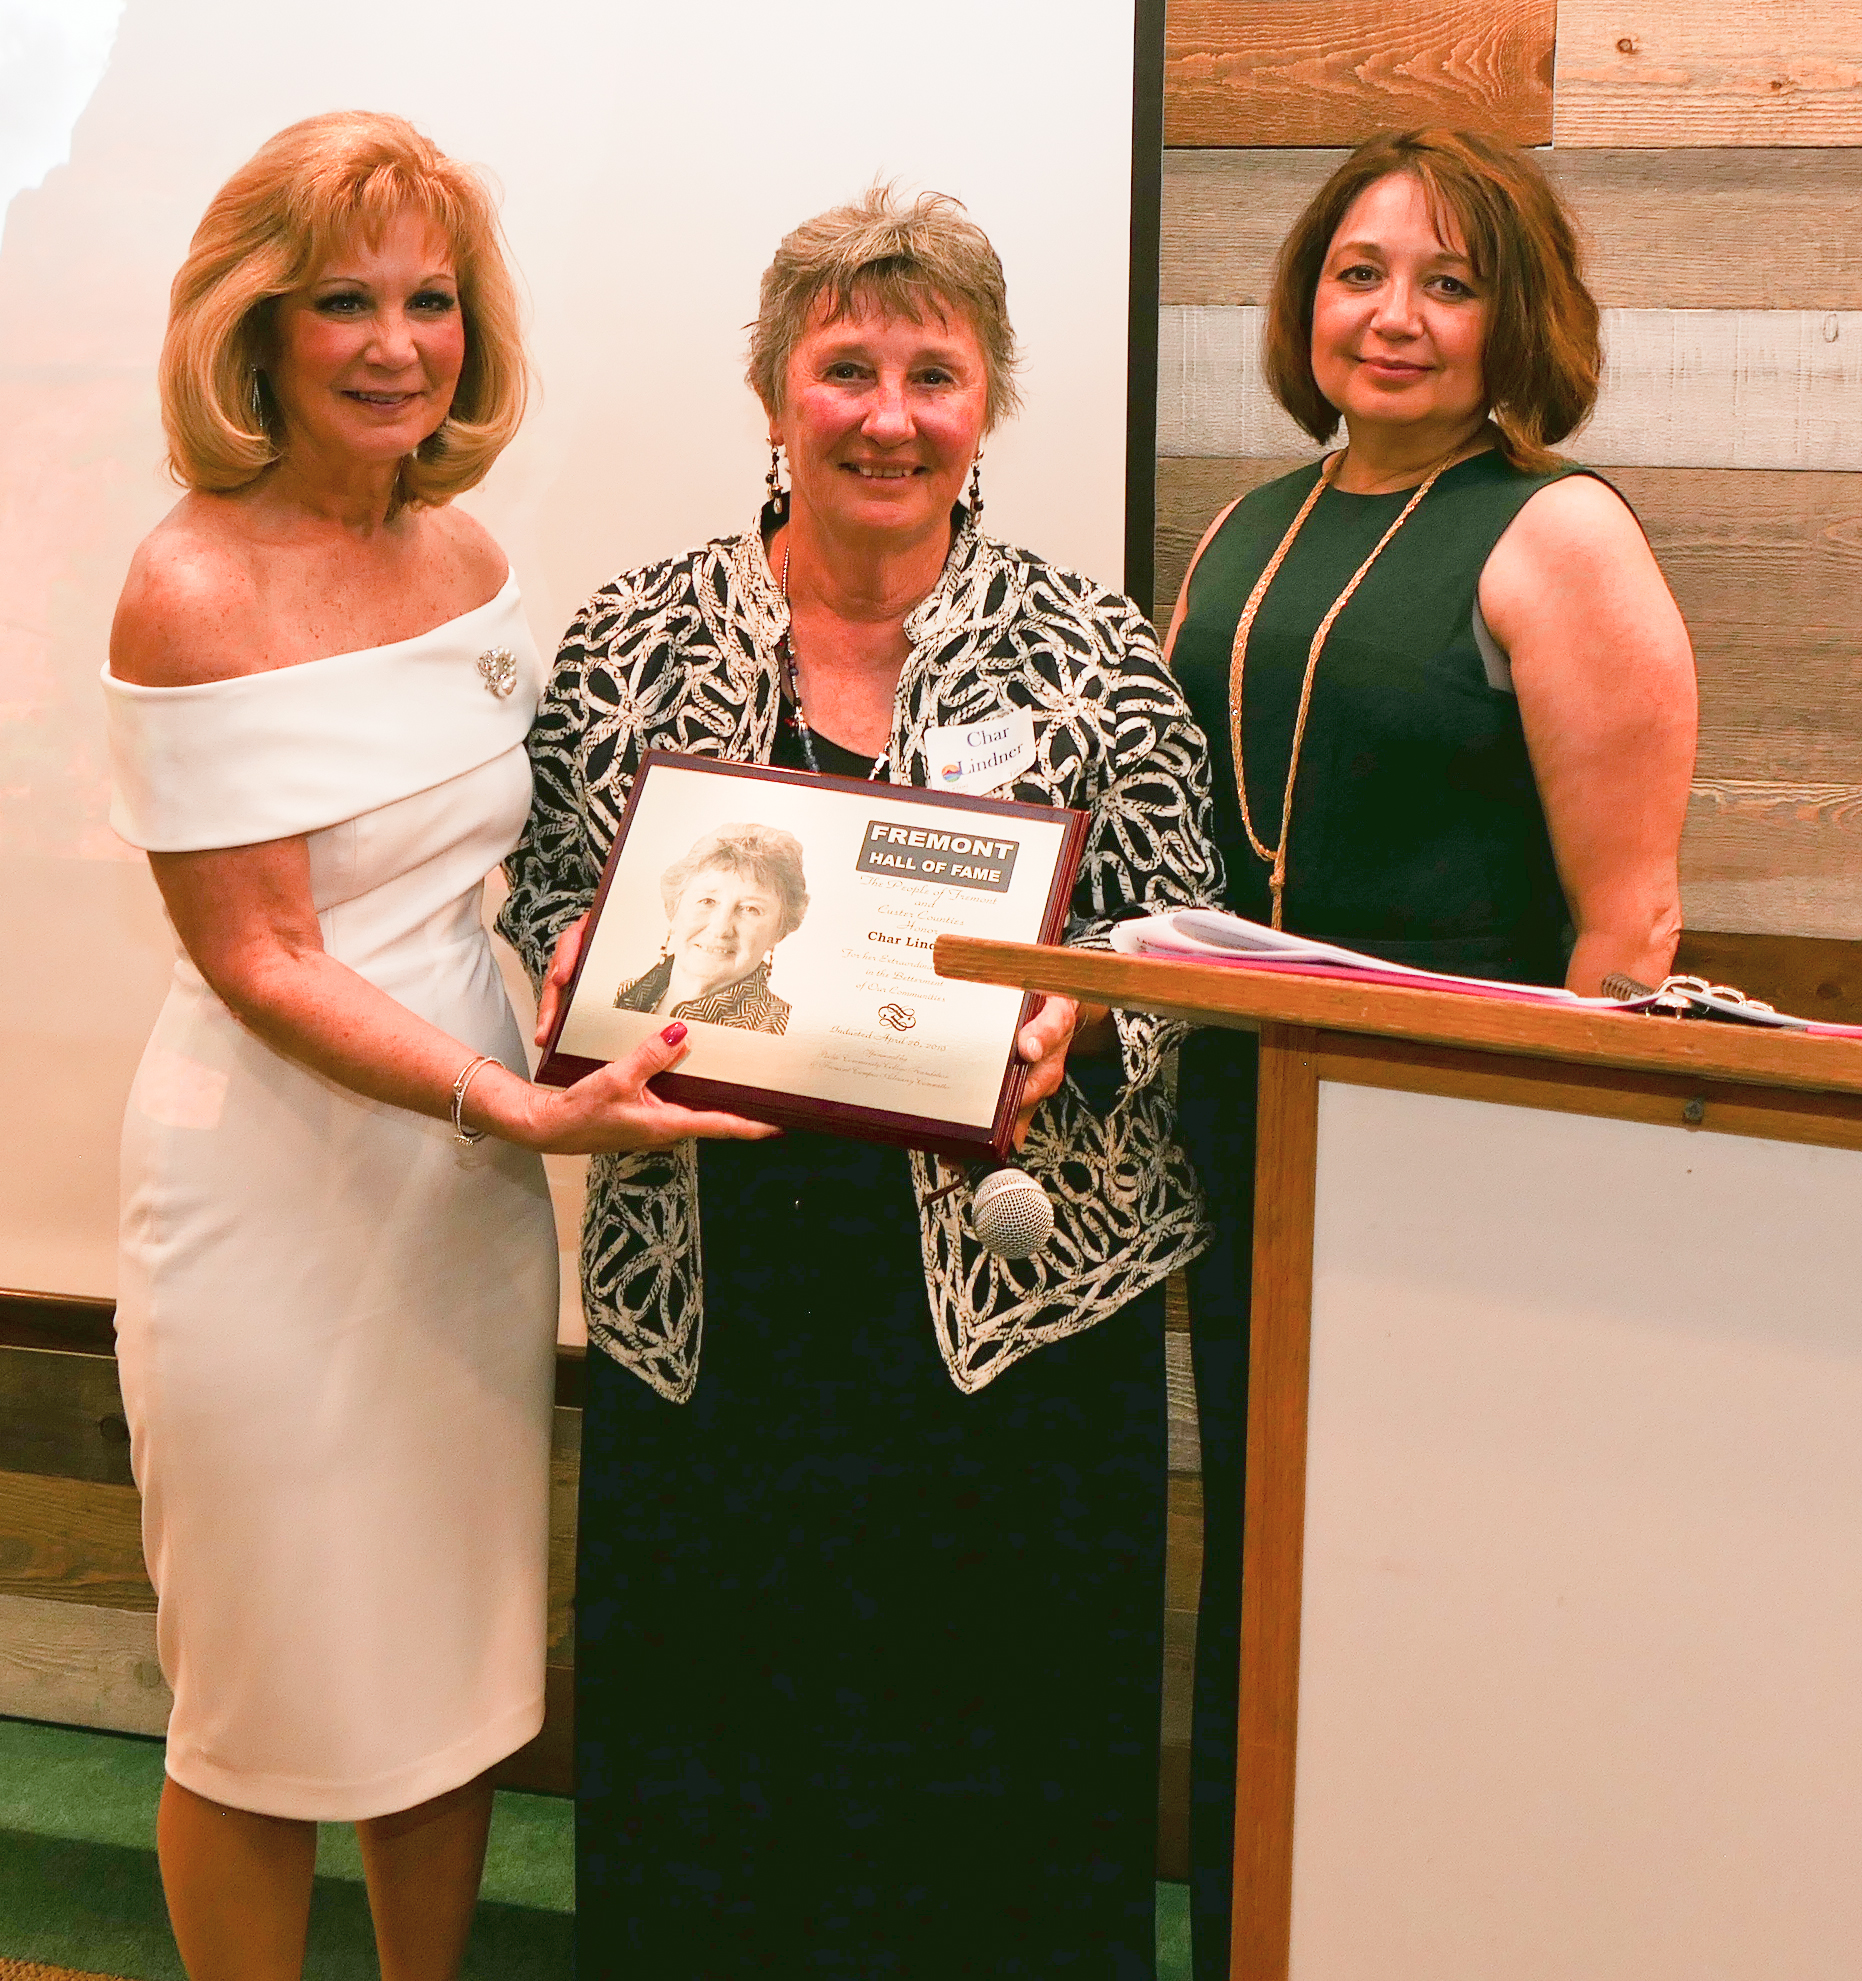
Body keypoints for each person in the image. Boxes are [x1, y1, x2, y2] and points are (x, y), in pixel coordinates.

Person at [499, 184, 1222, 1976]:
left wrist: (1087, 1019)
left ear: (985, 404)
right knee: (723, 1785)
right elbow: (547, 907)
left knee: (994, 1800)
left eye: (933, 371)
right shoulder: (628, 635)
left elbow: (1188, 938)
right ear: (772, 394)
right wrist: (574, 980)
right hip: (723, 1307)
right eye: (844, 369)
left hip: (1017, 1324)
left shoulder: (1091, 648)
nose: (888, 414)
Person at [104, 112, 770, 1981]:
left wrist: (597, 1004)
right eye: (344, 303)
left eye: (431, 300)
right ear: (255, 330)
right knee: (256, 1688)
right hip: (273, 1190)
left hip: (467, 1181)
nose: (398, 343)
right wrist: (515, 1101)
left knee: (451, 1674)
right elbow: (260, 957)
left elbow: (519, 865)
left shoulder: (466, 551)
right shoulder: (191, 586)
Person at [1158, 128, 1698, 1978]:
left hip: (1465, 1150)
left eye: (1447, 283)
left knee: (1437, 1574)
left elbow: (1626, 930)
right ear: (1306, 293)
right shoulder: (1244, 524)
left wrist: (1555, 1186)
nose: (1393, 317)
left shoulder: (1558, 528)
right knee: (1267, 1563)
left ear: (1511, 320)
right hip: (1248, 1125)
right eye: (1358, 271)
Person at [613, 822, 808, 1032]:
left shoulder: (782, 1028)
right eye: (707, 901)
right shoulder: (619, 995)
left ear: (779, 931)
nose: (721, 929)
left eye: (750, 909)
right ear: (674, 910)